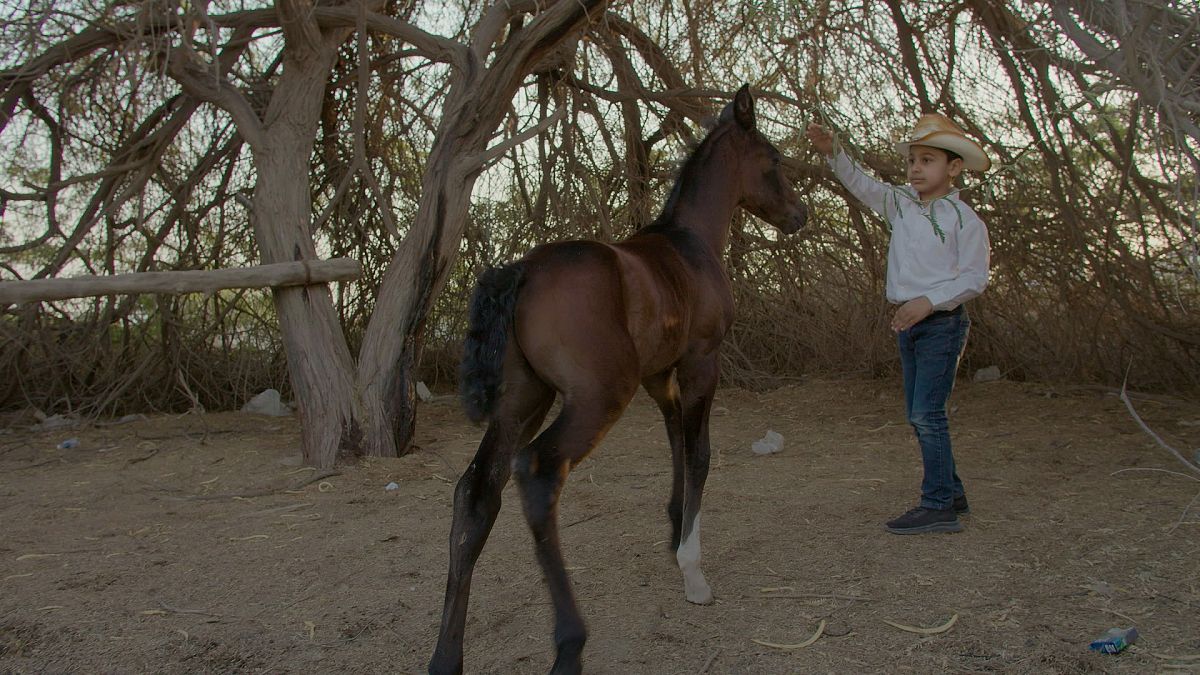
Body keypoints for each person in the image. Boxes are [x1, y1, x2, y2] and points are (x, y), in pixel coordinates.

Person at [806, 114, 991, 534]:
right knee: (918, 413)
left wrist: (928, 302)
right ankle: (952, 492)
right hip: (910, 324)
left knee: (927, 414)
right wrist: (833, 153)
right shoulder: (901, 204)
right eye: (911, 160)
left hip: (942, 324)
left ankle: (938, 506)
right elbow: (864, 185)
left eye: (927, 160)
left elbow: (974, 279)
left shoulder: (964, 220)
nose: (915, 169)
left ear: (954, 167)